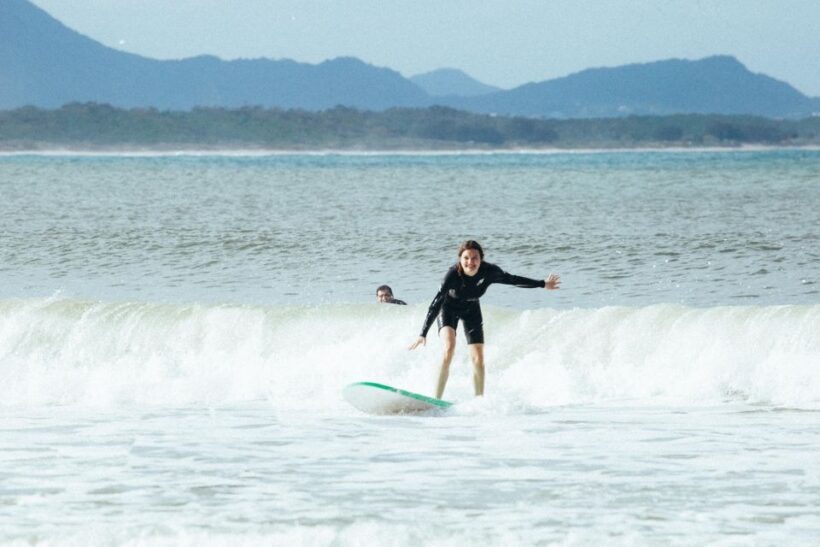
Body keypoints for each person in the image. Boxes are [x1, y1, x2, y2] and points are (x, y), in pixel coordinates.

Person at [409, 240, 560, 399]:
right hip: (448, 308)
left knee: (479, 357)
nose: (470, 262)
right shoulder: (452, 275)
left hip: (471, 309)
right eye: (466, 258)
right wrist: (422, 333)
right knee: (449, 348)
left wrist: (542, 284)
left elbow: (513, 279)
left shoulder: (490, 271)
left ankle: (479, 400)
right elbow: (435, 303)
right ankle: (436, 398)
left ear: (481, 259)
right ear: (460, 259)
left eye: (475, 258)